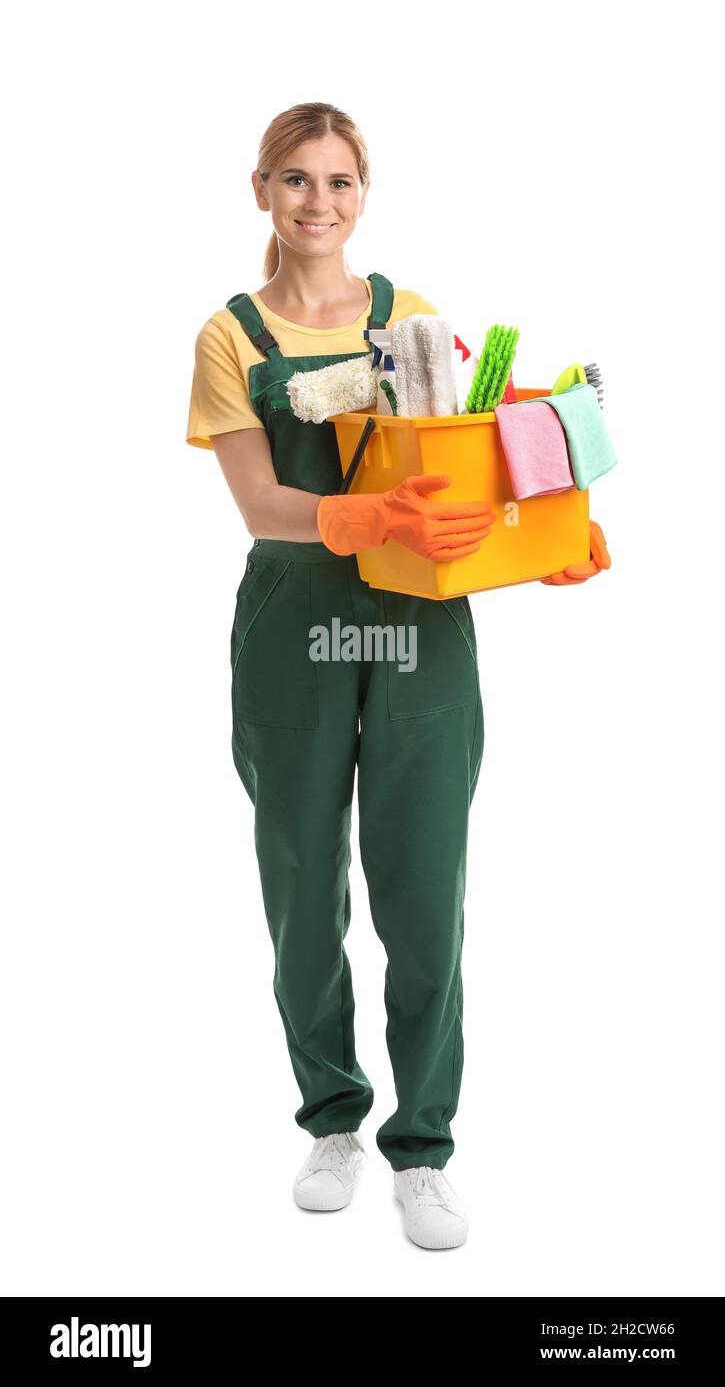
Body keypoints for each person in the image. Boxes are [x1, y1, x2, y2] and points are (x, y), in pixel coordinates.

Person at [186, 102, 611, 1251]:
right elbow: (257, 503)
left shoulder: (409, 318)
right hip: (297, 625)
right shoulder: (231, 337)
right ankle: (332, 1117)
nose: (317, 202)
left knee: (422, 886)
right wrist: (362, 510)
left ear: (361, 192)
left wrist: (557, 528)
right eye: (295, 180)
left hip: (419, 623)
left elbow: (478, 453)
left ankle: (421, 1147)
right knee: (301, 881)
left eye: (338, 181)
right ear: (261, 190)